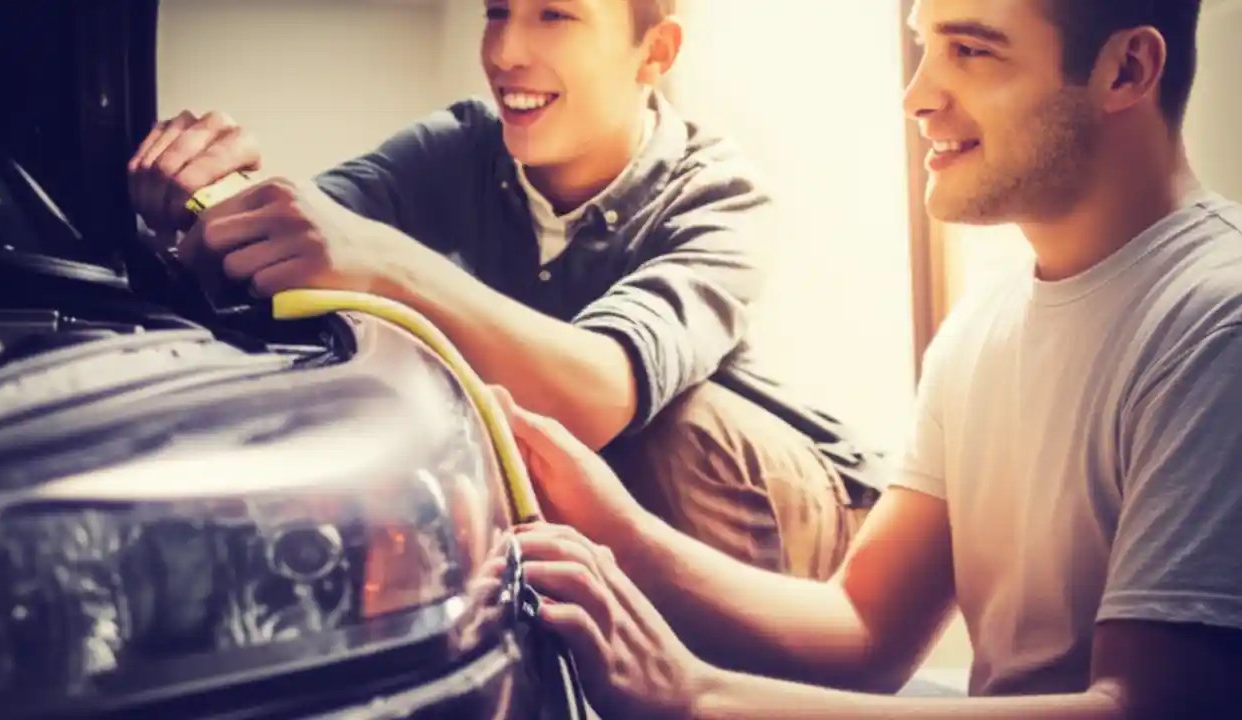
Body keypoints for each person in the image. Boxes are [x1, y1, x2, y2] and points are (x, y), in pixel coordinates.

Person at [495, 0, 1242, 716]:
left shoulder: (1216, 320)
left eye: (971, 51)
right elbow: (863, 627)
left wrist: (698, 699)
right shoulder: (983, 326)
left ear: (1127, 70)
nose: (917, 94)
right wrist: (612, 527)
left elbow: (1150, 708)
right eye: (924, 47)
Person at [126, 0, 880, 581]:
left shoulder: (722, 194)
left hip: (802, 508)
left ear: (654, 52)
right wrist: (208, 198)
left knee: (670, 428)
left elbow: (599, 395)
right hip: (620, 506)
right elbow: (309, 239)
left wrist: (386, 262)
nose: (506, 52)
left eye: (554, 14)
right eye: (497, 11)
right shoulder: (454, 147)